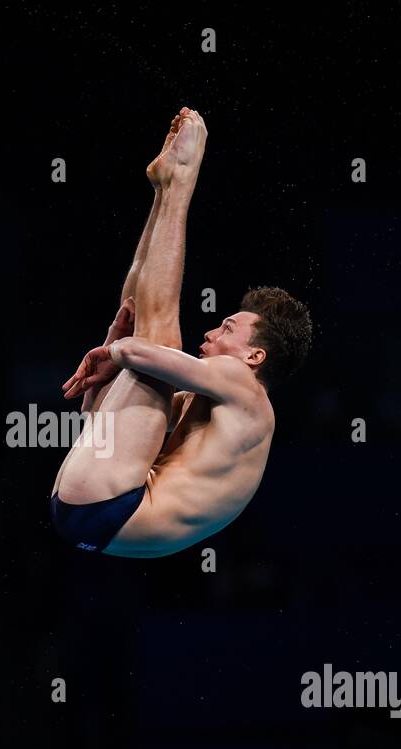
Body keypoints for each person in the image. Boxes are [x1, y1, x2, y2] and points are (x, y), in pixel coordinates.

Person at [50, 107, 312, 557]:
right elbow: (99, 425)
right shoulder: (209, 409)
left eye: (228, 328)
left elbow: (146, 353)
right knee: (135, 321)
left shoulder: (246, 390)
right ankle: (163, 190)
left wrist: (119, 352)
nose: (211, 333)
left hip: (112, 506)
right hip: (94, 511)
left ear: (255, 357)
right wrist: (117, 350)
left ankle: (181, 180)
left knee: (157, 345)